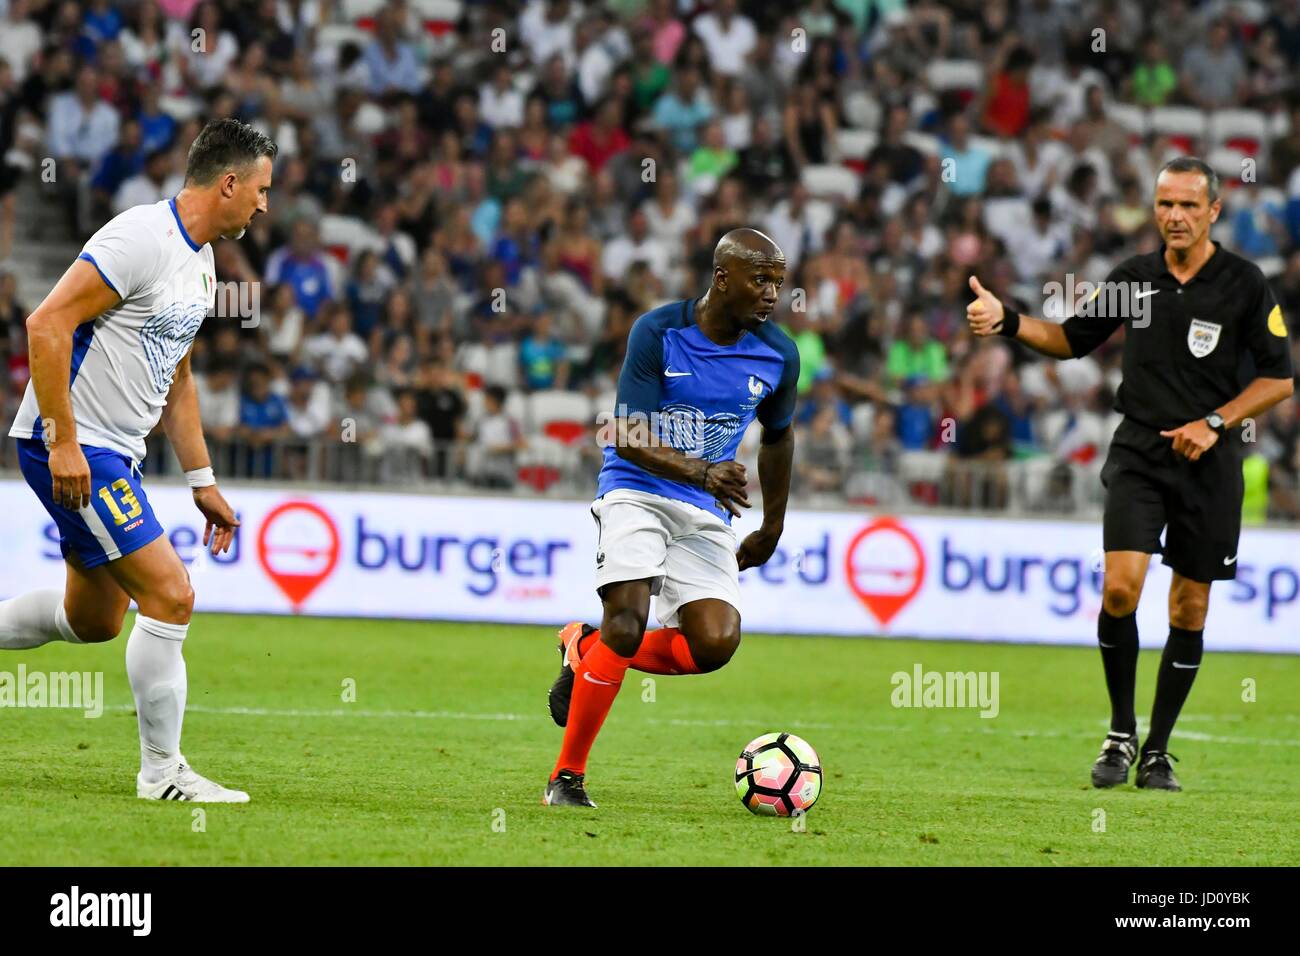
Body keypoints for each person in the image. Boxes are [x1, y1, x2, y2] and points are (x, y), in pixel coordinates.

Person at [967, 157, 1294, 791]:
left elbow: (1279, 379)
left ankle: (1159, 751)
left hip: (1210, 460)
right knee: (1120, 589)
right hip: (1140, 451)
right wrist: (1007, 320)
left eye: (1188, 206)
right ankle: (1120, 731)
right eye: (1165, 204)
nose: (1174, 216)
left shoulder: (1245, 283)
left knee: (1189, 608)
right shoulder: (1133, 278)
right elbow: (1070, 340)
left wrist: (1217, 424)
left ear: (1214, 211)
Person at [1, 118, 276, 802]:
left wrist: (202, 479)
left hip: (111, 451)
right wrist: (65, 441)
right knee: (171, 593)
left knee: (94, 620)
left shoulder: (204, 260)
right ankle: (162, 774)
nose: (265, 205)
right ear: (230, 182)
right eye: (262, 190)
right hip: (74, 443)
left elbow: (176, 378)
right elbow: (46, 323)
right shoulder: (140, 239)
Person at [544, 228, 799, 808]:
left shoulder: (779, 353)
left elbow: (779, 438)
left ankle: (586, 647)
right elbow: (625, 433)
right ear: (722, 277)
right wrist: (704, 471)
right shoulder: (658, 331)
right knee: (629, 622)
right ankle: (567, 778)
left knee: (714, 644)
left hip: (705, 510)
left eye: (778, 283)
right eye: (760, 280)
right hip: (636, 489)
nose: (771, 294)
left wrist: (772, 527)